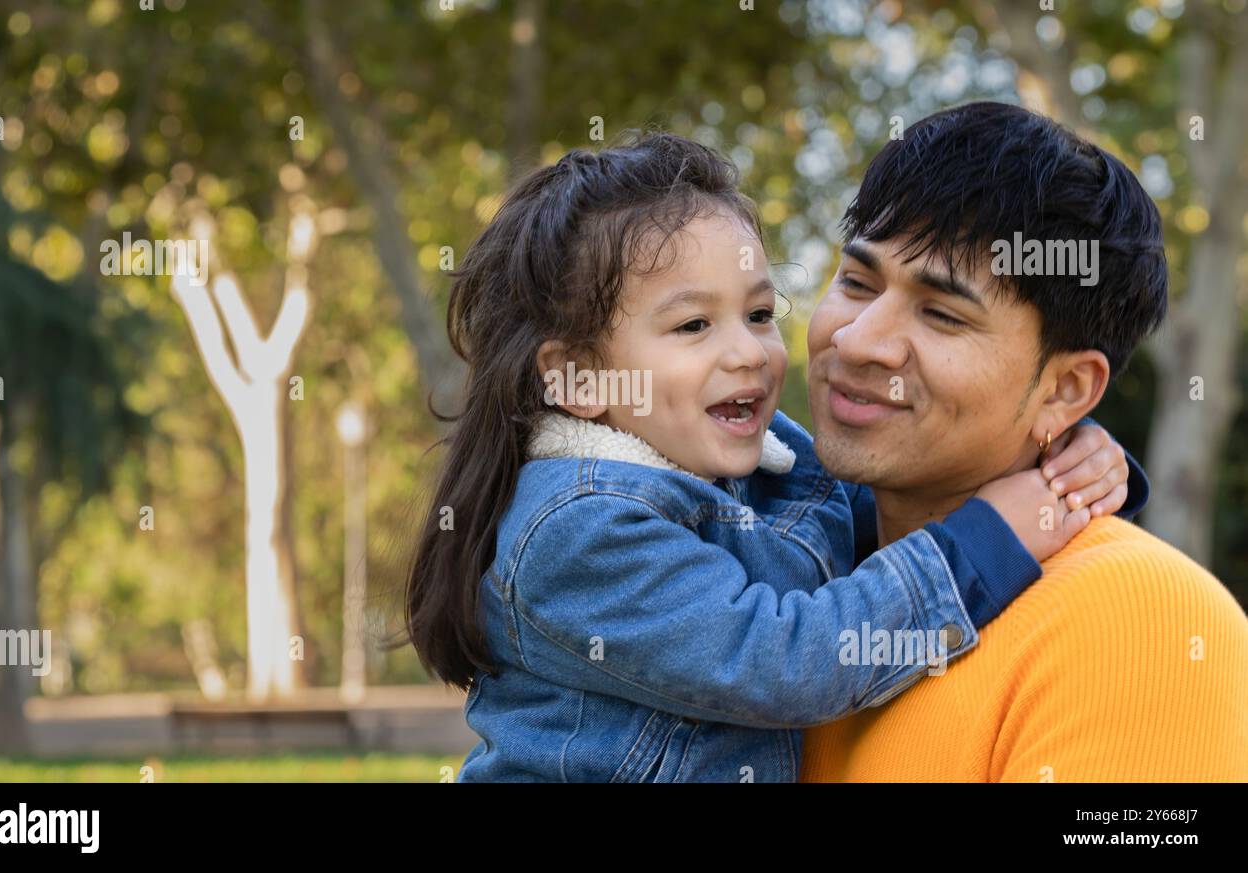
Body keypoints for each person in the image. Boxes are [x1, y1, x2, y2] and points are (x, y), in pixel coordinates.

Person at [400, 132, 1134, 782]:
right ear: (579, 379)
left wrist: (1064, 459)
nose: (748, 351)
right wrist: (990, 540)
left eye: (758, 314)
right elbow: (787, 661)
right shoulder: (581, 527)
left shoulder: (761, 464)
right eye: (693, 324)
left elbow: (889, 521)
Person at [800, 102, 1248, 781]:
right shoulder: (779, 567)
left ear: (1066, 391)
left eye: (943, 314)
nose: (856, 338)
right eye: (857, 282)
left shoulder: (1141, 619)